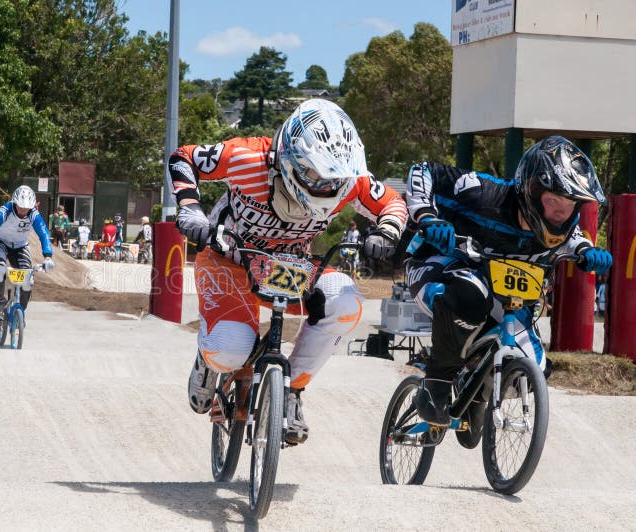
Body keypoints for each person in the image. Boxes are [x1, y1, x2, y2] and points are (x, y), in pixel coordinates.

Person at [169, 98, 407, 444]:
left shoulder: (351, 179)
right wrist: (190, 208)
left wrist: (386, 232)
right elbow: (184, 157)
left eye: (334, 179)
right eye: (314, 175)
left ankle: (292, 390)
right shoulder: (245, 157)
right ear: (290, 158)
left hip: (292, 268)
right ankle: (209, 360)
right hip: (229, 261)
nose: (325, 187)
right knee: (230, 349)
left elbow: (392, 202)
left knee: (347, 303)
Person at [404, 136, 613, 431]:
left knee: (536, 370)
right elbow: (422, 171)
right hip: (436, 268)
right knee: (469, 296)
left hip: (503, 294)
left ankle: (478, 394)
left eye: (568, 206)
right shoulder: (482, 193)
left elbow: (574, 237)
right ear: (530, 190)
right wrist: (427, 217)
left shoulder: (566, 229)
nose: (558, 213)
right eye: (553, 201)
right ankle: (436, 385)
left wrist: (587, 252)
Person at [0, 185, 55, 320]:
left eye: (26, 208)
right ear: (15, 202)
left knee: (28, 278)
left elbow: (44, 234)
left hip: (21, 246)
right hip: (0, 243)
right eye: (20, 207)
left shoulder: (34, 214)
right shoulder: (5, 211)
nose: (23, 211)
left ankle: (19, 312)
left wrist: (48, 256)